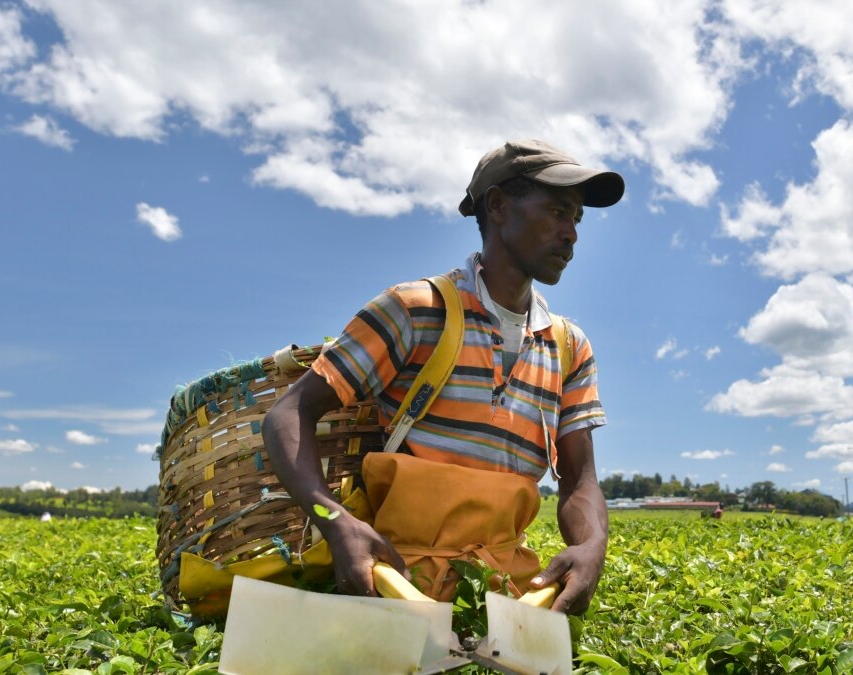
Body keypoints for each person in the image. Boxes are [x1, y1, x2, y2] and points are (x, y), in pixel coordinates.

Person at [263, 140, 624, 615]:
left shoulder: (568, 345)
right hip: (392, 586)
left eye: (576, 219)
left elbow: (579, 480)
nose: (571, 234)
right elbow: (288, 414)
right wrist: (336, 521)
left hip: (507, 595)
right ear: (497, 206)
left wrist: (592, 546)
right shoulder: (416, 310)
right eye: (557, 212)